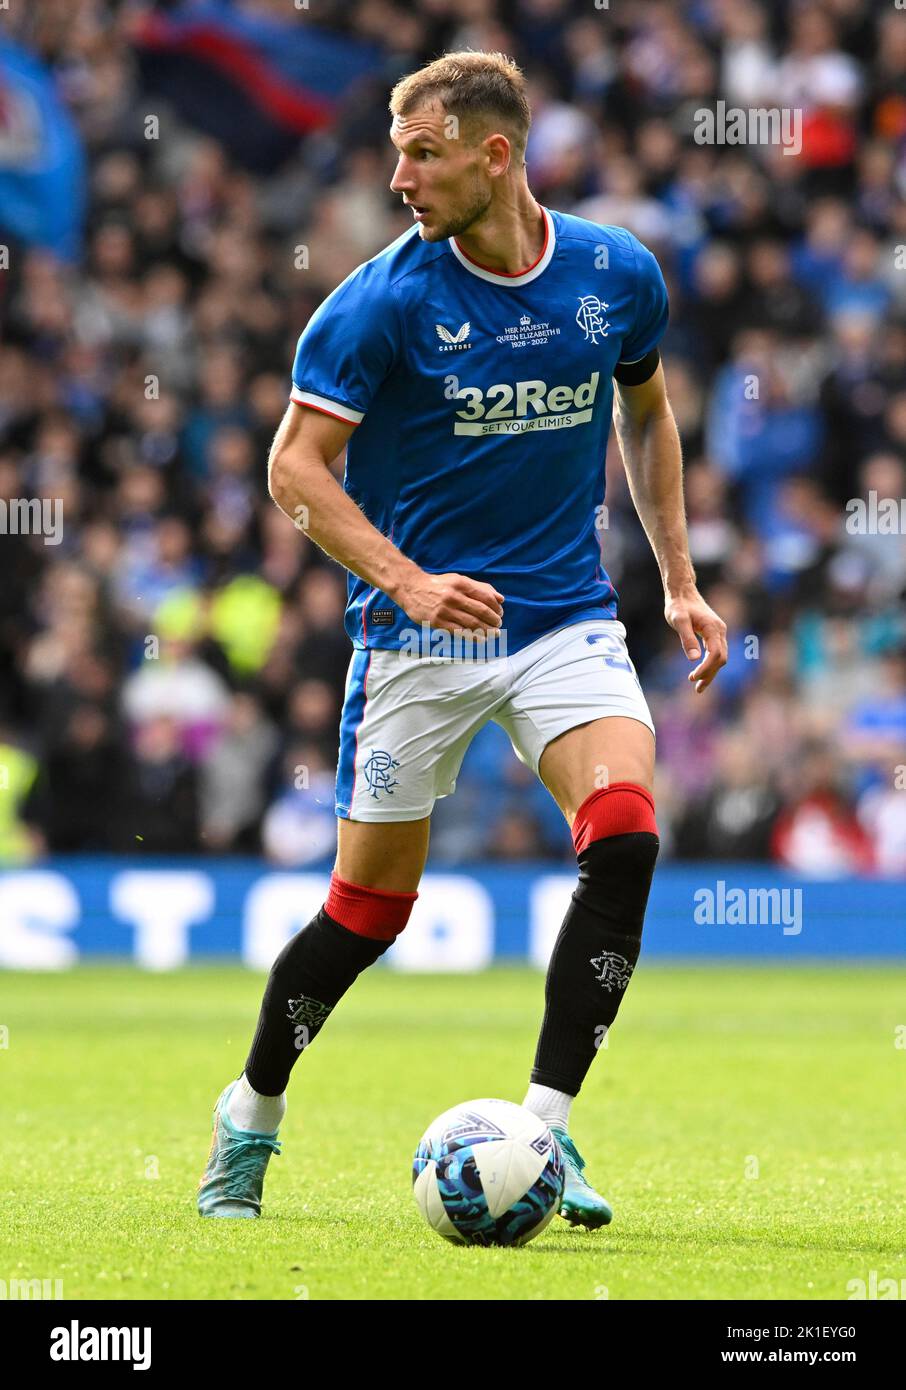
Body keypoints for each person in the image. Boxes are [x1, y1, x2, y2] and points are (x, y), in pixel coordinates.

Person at [198, 51, 727, 1229]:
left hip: (561, 617)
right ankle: (250, 1115)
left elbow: (645, 411)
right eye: (396, 152)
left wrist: (681, 582)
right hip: (416, 639)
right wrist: (408, 578)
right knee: (366, 914)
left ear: (496, 155)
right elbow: (293, 467)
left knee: (628, 834)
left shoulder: (613, 273)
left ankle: (549, 1125)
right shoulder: (381, 301)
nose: (399, 178)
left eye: (421, 152)